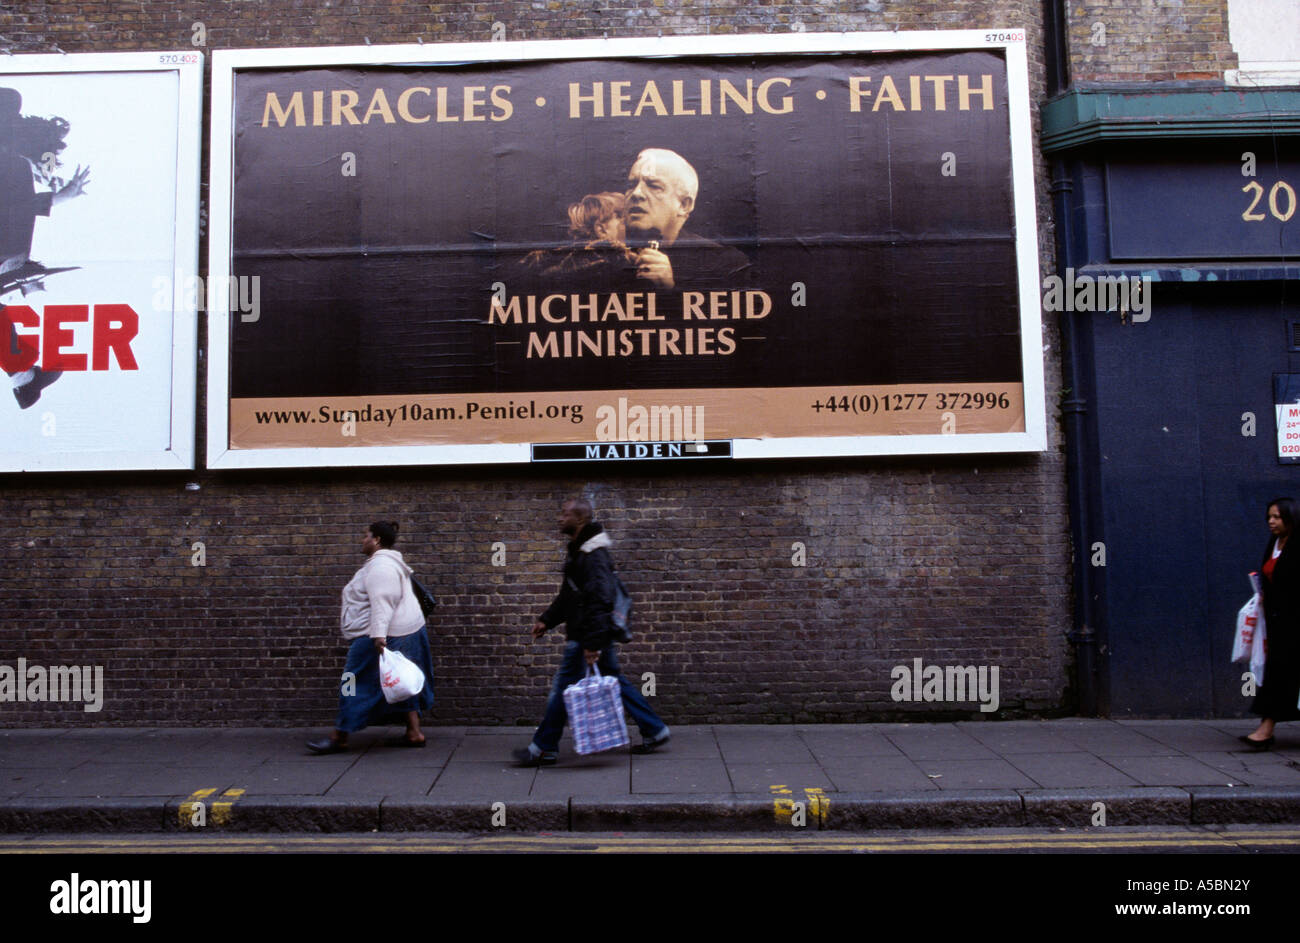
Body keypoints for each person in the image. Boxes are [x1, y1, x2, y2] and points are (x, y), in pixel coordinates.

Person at [513, 497, 670, 766]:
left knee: (563, 688)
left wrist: (592, 644)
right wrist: (547, 620)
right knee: (614, 680)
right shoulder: (579, 550)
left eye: (565, 513)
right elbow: (570, 594)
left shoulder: (593, 554)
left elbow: (600, 599)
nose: (560, 518)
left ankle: (543, 747)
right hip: (590, 633)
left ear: (580, 519)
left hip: (586, 635)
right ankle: (654, 729)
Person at [307, 521, 434, 753]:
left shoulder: (381, 566)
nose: (362, 540)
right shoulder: (386, 563)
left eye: (365, 536)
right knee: (401, 679)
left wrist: (378, 636)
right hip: (400, 633)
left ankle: (339, 736)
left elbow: (383, 602)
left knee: (350, 681)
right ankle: (414, 732)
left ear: (376, 540)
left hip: (377, 635)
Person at [0, 88, 89, 409]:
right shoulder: (13, 163)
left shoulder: (13, 163)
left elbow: (15, 207)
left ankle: (24, 377)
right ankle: (23, 378)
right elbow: (16, 207)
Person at [622, 147, 750, 291]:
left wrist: (670, 290)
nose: (636, 193)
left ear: (684, 205)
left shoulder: (724, 264)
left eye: (654, 186)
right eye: (631, 185)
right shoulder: (603, 255)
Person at [1243, 498, 1300, 749]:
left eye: (1277, 517)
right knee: (1280, 672)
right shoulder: (1275, 544)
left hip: (1294, 622)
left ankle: (1266, 729)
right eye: (1269, 517)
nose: (1271, 521)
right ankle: (1266, 727)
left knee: (1283, 673)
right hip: (1278, 623)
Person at [518, 191, 637, 289]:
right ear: (601, 229)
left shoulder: (558, 263)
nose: (631, 224)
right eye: (622, 218)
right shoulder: (615, 265)